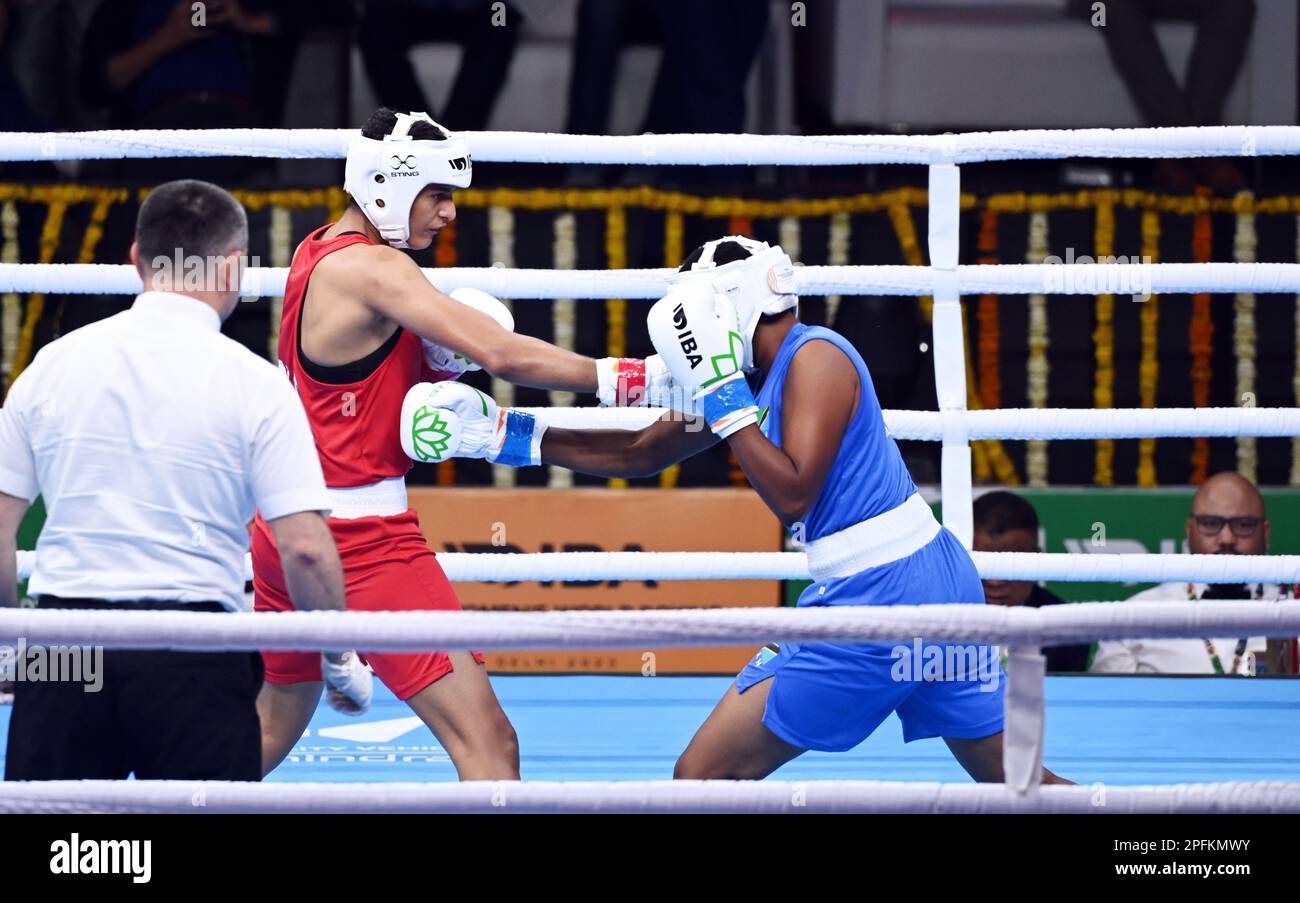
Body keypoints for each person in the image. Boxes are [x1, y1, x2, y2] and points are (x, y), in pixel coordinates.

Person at [414, 235, 1070, 784]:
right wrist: (509, 434)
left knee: (703, 774)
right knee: (1011, 776)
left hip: (880, 598)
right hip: (929, 584)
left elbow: (792, 491)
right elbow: (640, 452)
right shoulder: (748, 378)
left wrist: (723, 392)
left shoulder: (816, 357)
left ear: (724, 304)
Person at [252, 108, 644, 780]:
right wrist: (626, 379)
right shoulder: (376, 271)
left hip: (286, 528)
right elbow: (499, 350)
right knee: (489, 744)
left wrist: (432, 364)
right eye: (437, 194)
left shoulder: (316, 249)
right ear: (386, 186)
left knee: (270, 721)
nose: (450, 213)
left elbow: (358, 381)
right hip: (361, 541)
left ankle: (130, 814)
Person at [0, 179, 347, 781]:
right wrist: (338, 653)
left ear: (135, 258)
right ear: (234, 267)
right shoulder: (256, 382)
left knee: (63, 854)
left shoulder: (52, 364)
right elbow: (307, 550)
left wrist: (13, 644)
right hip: (195, 653)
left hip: (63, 649)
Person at [1091, 471, 1297, 675]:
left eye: (1243, 525)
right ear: (1189, 531)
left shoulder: (1293, 614)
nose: (1227, 538)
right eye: (1211, 524)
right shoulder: (1132, 619)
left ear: (1265, 533)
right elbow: (1108, 704)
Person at [973, 490, 1091, 673]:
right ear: (960, 559)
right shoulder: (936, 619)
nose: (995, 582)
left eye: (1013, 562)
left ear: (1038, 560)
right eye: (982, 561)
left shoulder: (1068, 632)